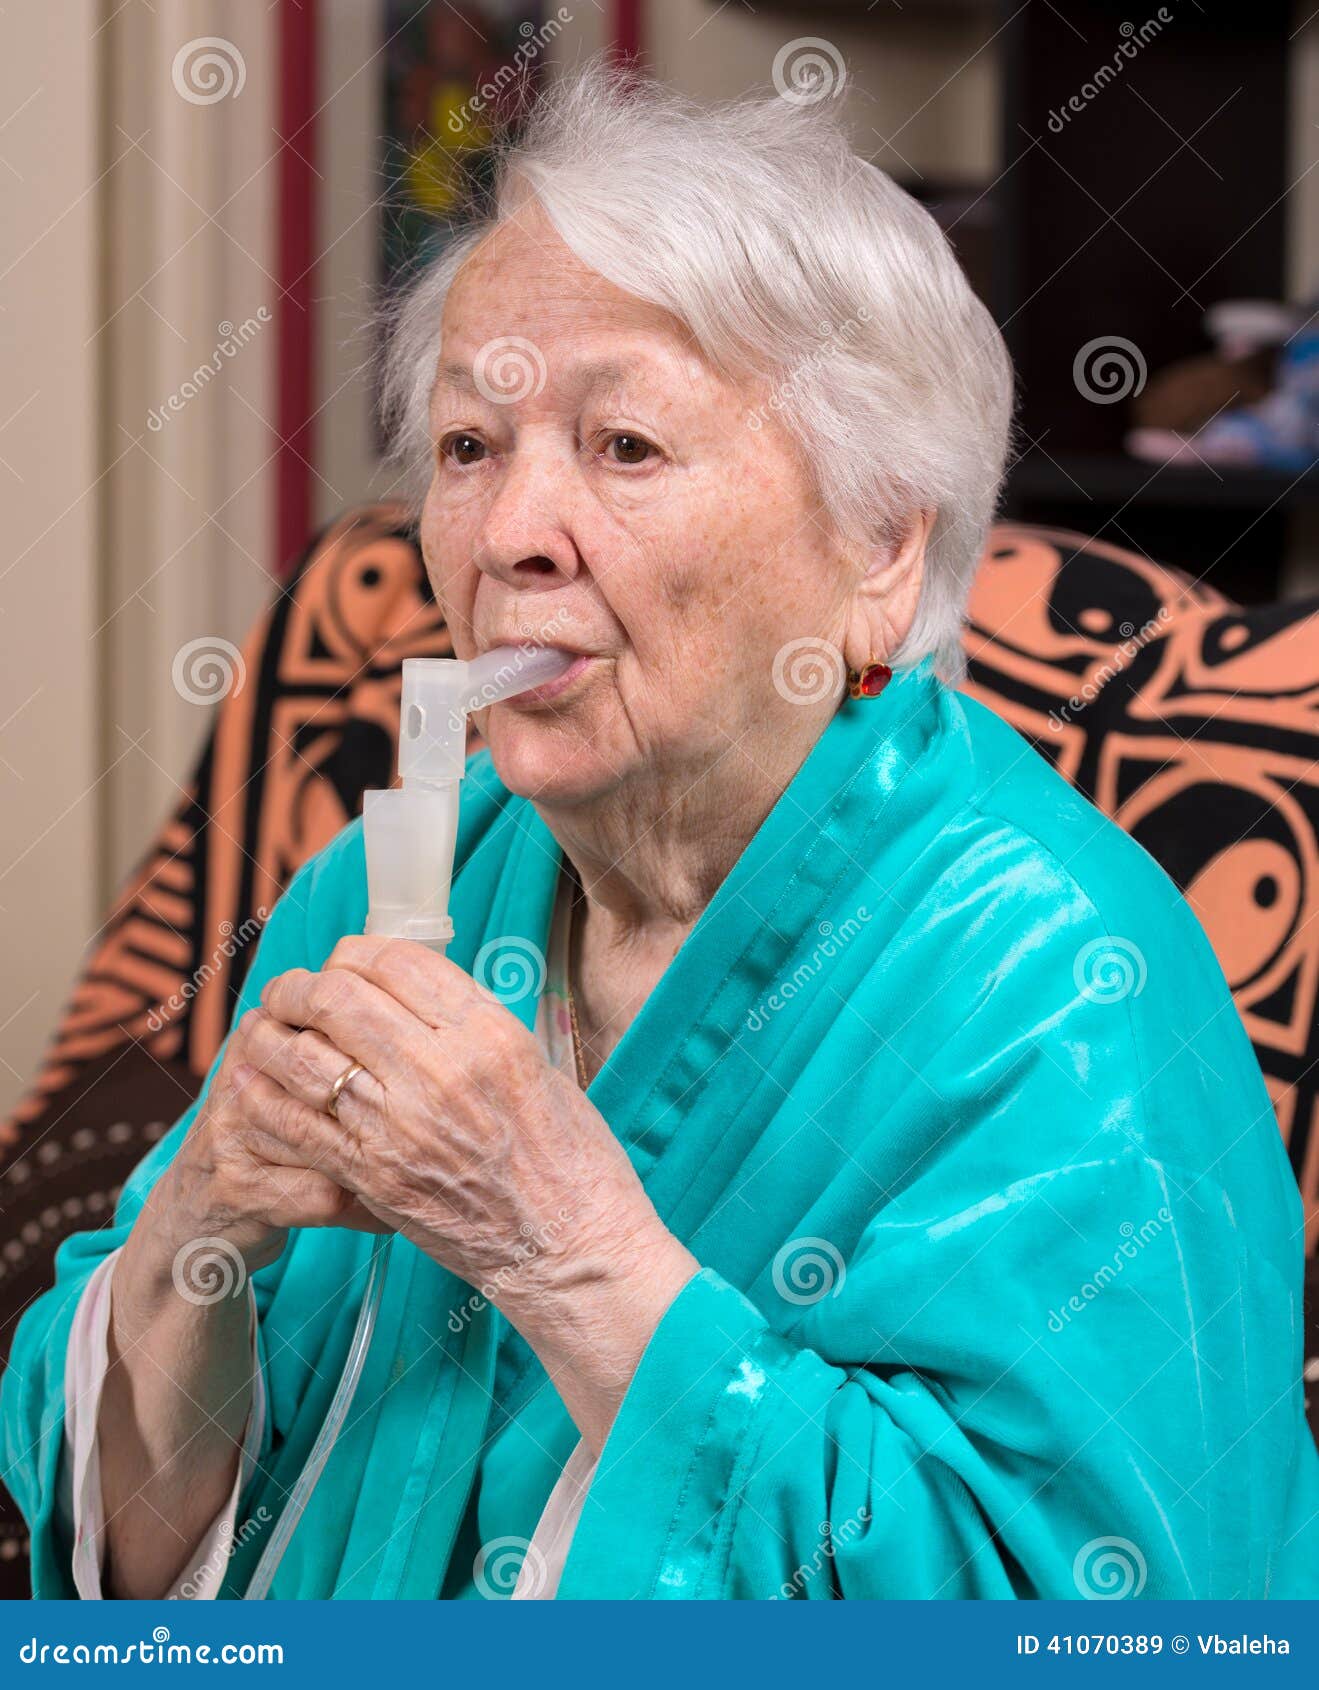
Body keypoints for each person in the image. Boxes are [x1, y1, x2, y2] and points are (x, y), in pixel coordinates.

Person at [5, 62, 1316, 1601]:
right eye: (468, 448)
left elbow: (1091, 1619)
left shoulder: (1058, 981)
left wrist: (565, 1246)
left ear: (881, 550)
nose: (506, 536)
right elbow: (129, 1566)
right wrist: (198, 1217)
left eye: (622, 446)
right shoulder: (376, 889)